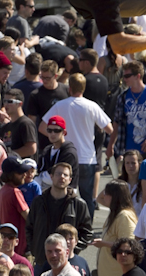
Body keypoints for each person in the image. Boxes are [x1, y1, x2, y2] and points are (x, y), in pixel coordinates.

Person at [44, 73, 111, 213]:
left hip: (66, 156)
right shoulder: (92, 106)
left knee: (65, 195)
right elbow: (109, 128)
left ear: (69, 88)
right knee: (88, 198)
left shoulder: (60, 105)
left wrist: (56, 137)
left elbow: (42, 127)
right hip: (87, 157)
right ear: (84, 88)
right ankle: (88, 229)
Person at [26, 161, 92, 274]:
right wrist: (35, 249)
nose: (61, 177)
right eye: (58, 174)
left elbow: (87, 233)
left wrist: (71, 250)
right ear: (51, 177)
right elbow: (29, 227)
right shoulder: (39, 202)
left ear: (70, 179)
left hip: (67, 264)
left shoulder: (78, 204)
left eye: (65, 175)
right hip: (42, 261)